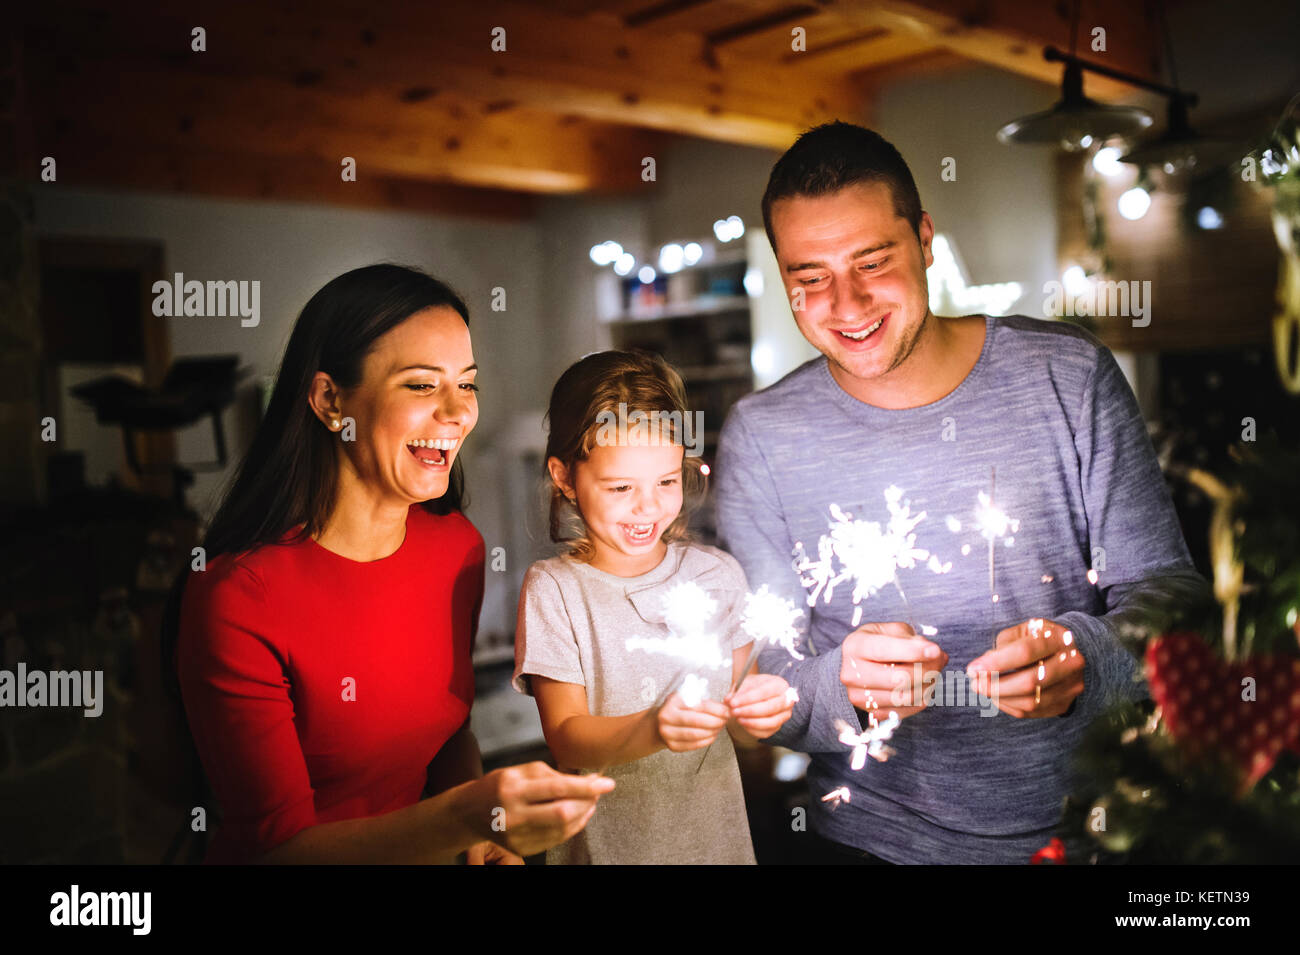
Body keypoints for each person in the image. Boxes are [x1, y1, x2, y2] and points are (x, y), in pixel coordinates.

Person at [715, 122, 1206, 864]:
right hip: (867, 844)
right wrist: (839, 683)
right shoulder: (760, 434)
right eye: (808, 276)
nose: (845, 303)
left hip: (1093, 837)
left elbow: (1175, 602)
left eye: (872, 261)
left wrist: (1087, 652)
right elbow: (764, 687)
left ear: (924, 239)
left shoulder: (1069, 377)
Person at [166, 264, 612, 864]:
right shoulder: (238, 596)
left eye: (468, 384)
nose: (457, 413)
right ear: (330, 400)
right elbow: (277, 851)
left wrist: (477, 836)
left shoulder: (456, 546)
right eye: (422, 386)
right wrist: (461, 816)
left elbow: (449, 735)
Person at [513, 350, 795, 864]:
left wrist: (764, 704)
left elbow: (744, 717)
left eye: (666, 481)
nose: (648, 506)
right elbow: (567, 739)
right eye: (621, 487)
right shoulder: (555, 590)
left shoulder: (717, 575)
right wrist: (653, 728)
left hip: (717, 849)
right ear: (564, 477)